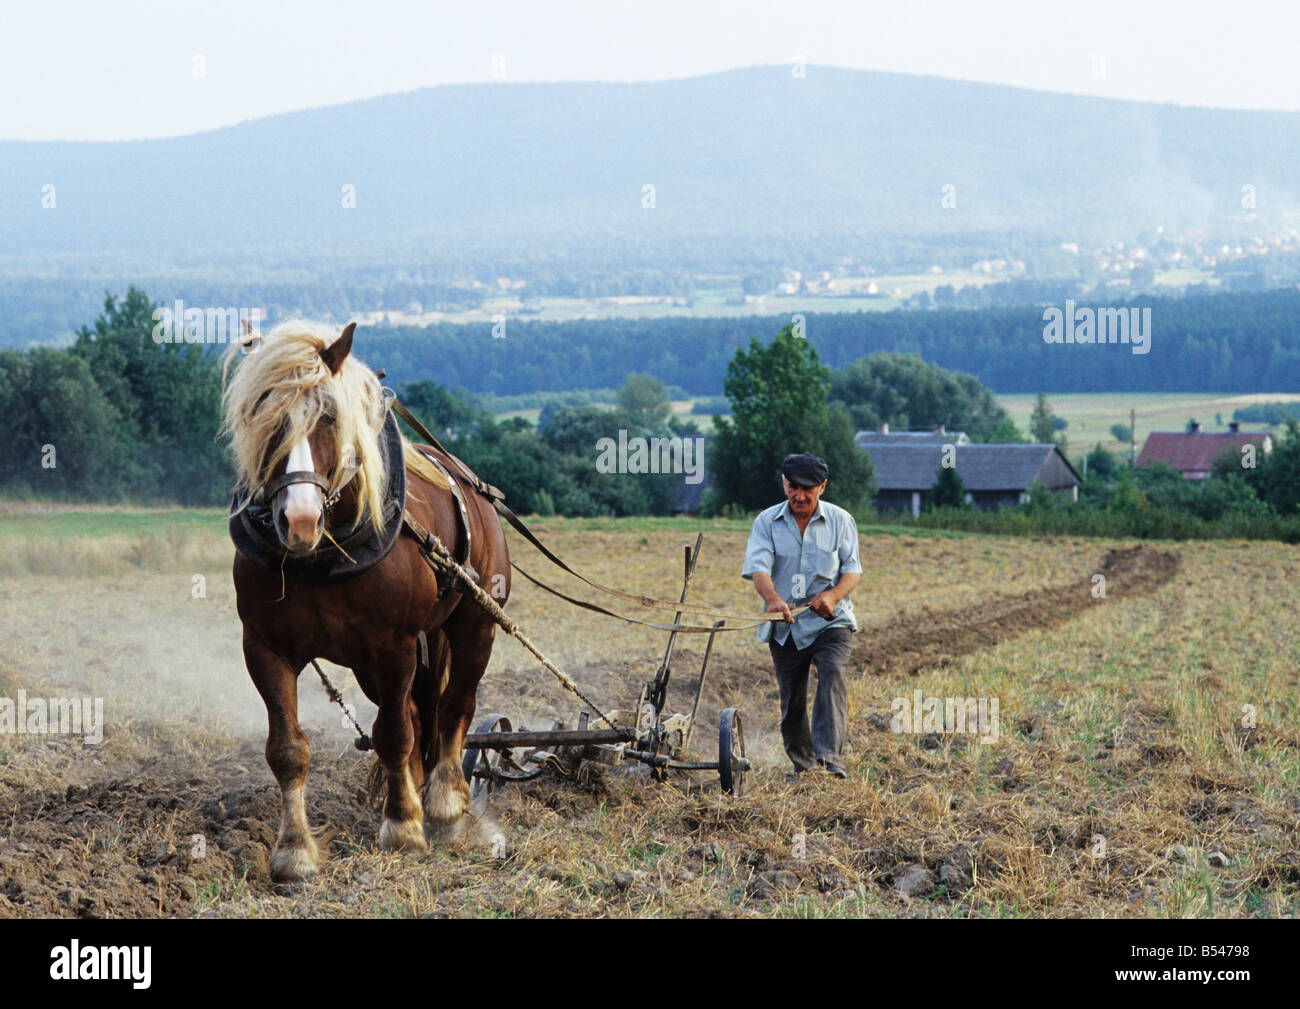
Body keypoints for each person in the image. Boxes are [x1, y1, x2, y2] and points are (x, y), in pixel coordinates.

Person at [741, 452, 861, 778]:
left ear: (822, 486)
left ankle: (829, 762)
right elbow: (759, 569)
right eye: (793, 486)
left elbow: (852, 571)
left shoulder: (841, 521)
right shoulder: (767, 522)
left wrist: (833, 596)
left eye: (808, 488)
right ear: (784, 483)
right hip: (785, 624)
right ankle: (805, 767)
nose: (799, 495)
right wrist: (773, 599)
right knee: (792, 697)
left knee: (832, 671)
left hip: (830, 621)